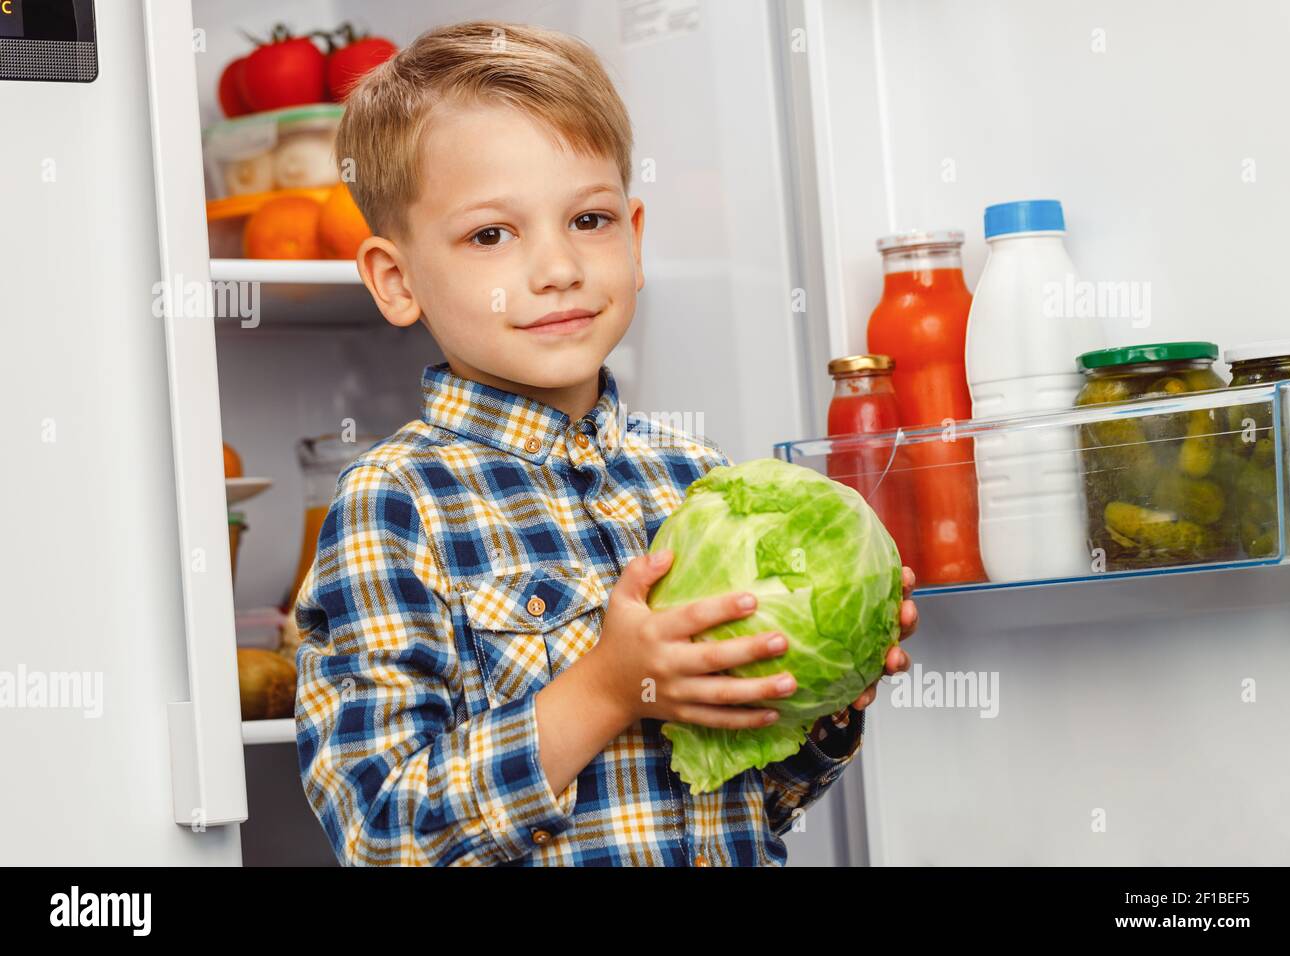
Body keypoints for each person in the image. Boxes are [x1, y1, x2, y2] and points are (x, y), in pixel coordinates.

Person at [293, 19, 918, 866]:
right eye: (491, 234)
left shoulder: (698, 481)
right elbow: (382, 830)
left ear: (636, 235)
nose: (557, 268)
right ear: (396, 280)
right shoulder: (396, 503)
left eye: (589, 220)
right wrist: (609, 688)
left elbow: (750, 796)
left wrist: (824, 693)